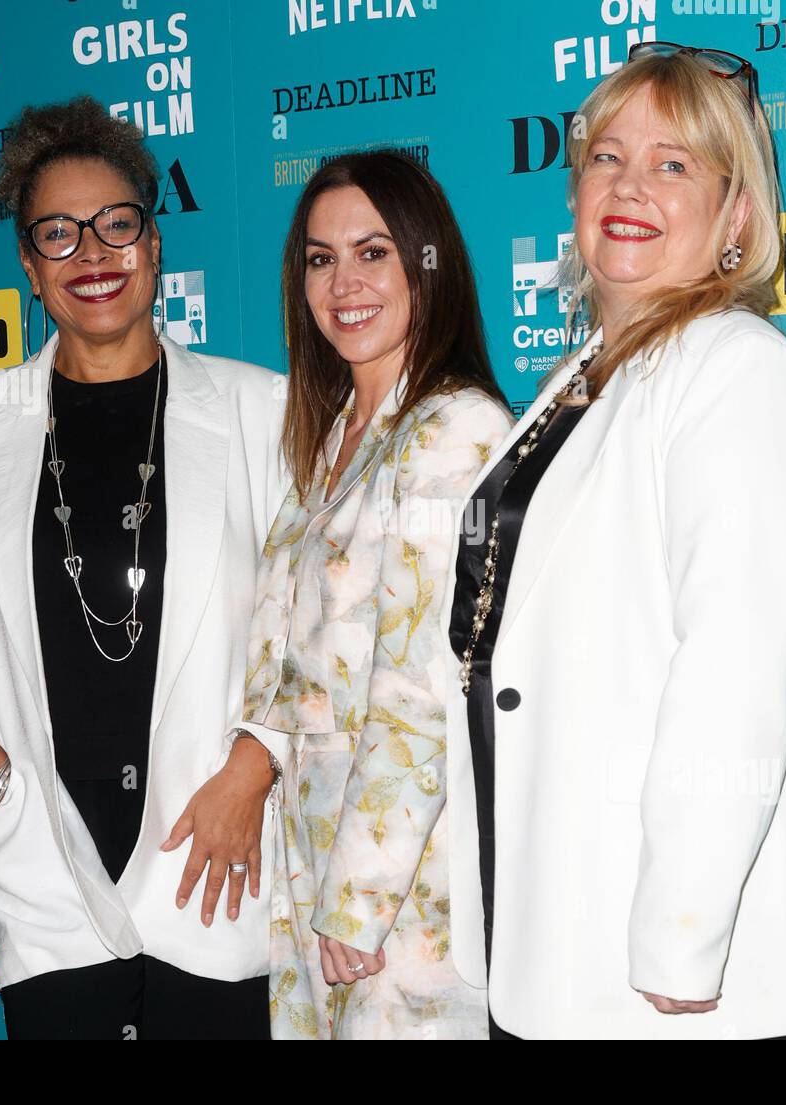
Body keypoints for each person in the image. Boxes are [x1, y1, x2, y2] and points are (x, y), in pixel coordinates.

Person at [442, 43, 786, 1039]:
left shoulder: (736, 370)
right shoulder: (588, 376)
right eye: (605, 157)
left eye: (674, 164)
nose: (629, 185)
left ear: (736, 215)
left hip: (692, 983)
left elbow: (734, 672)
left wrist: (681, 932)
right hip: (561, 935)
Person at [0, 95, 290, 1039]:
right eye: (57, 234)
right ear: (27, 263)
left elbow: (315, 619)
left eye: (115, 224)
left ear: (154, 240)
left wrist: (257, 766)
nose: (91, 254)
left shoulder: (263, 410)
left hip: (211, 865)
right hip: (43, 870)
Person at [236, 152, 514, 1039]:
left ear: (425, 265)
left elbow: (426, 685)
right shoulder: (333, 441)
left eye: (373, 252)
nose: (343, 282)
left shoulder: (456, 429)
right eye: (320, 258)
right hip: (315, 878)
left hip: (406, 901)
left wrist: (358, 904)